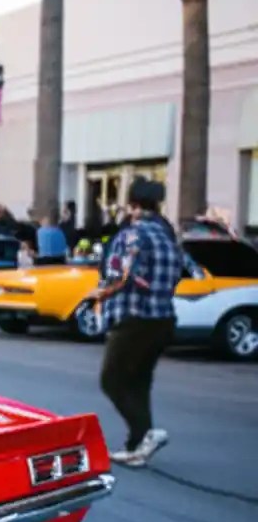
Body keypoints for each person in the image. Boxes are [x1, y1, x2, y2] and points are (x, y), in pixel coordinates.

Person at [88, 179, 183, 468]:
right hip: (163, 318)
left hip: (134, 318)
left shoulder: (133, 234)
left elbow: (121, 274)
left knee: (112, 379)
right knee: (139, 382)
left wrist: (98, 293)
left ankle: (147, 433)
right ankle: (136, 445)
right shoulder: (169, 236)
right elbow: (184, 271)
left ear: (133, 204)